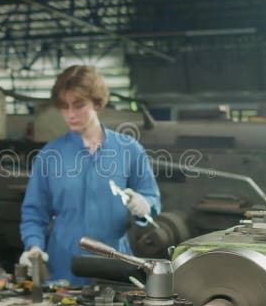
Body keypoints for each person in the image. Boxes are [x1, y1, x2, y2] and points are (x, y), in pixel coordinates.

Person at [19, 65, 161, 284]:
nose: (70, 114)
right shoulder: (51, 154)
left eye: (78, 105)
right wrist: (34, 246)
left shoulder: (128, 149)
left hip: (114, 264)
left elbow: (151, 197)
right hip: (64, 265)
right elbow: (34, 213)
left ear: (96, 102)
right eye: (64, 107)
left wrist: (145, 204)